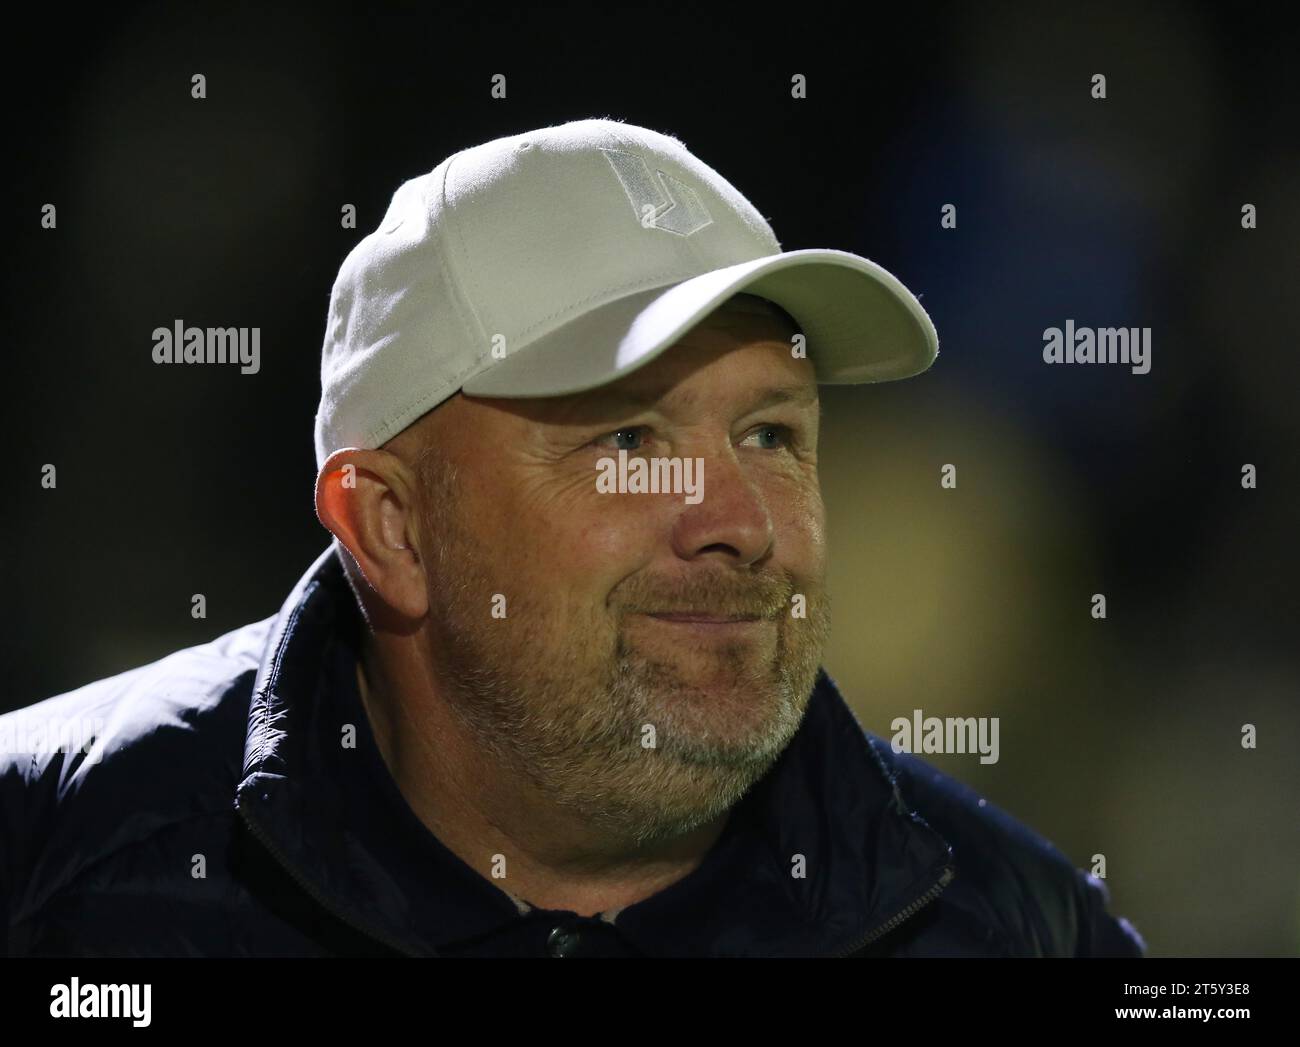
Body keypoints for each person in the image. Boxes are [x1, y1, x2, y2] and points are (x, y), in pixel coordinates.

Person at [0, 118, 1144, 957]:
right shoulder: (46, 864)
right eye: (627, 441)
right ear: (388, 525)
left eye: (770, 434)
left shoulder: (1018, 929)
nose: (740, 525)